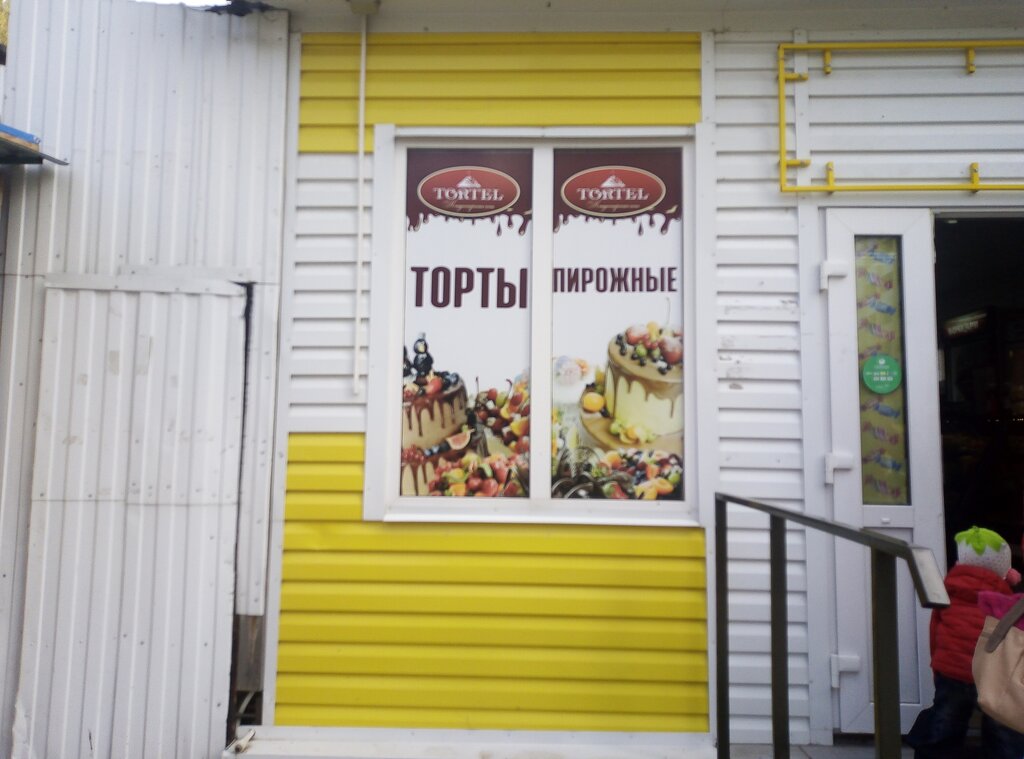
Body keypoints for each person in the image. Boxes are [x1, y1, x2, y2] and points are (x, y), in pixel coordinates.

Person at [906, 526, 1024, 759]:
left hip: (951, 671)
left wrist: (937, 668)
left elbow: (935, 633)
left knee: (945, 722)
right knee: (1001, 726)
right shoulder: (1005, 599)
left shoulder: (948, 592)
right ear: (1004, 570)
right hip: (990, 674)